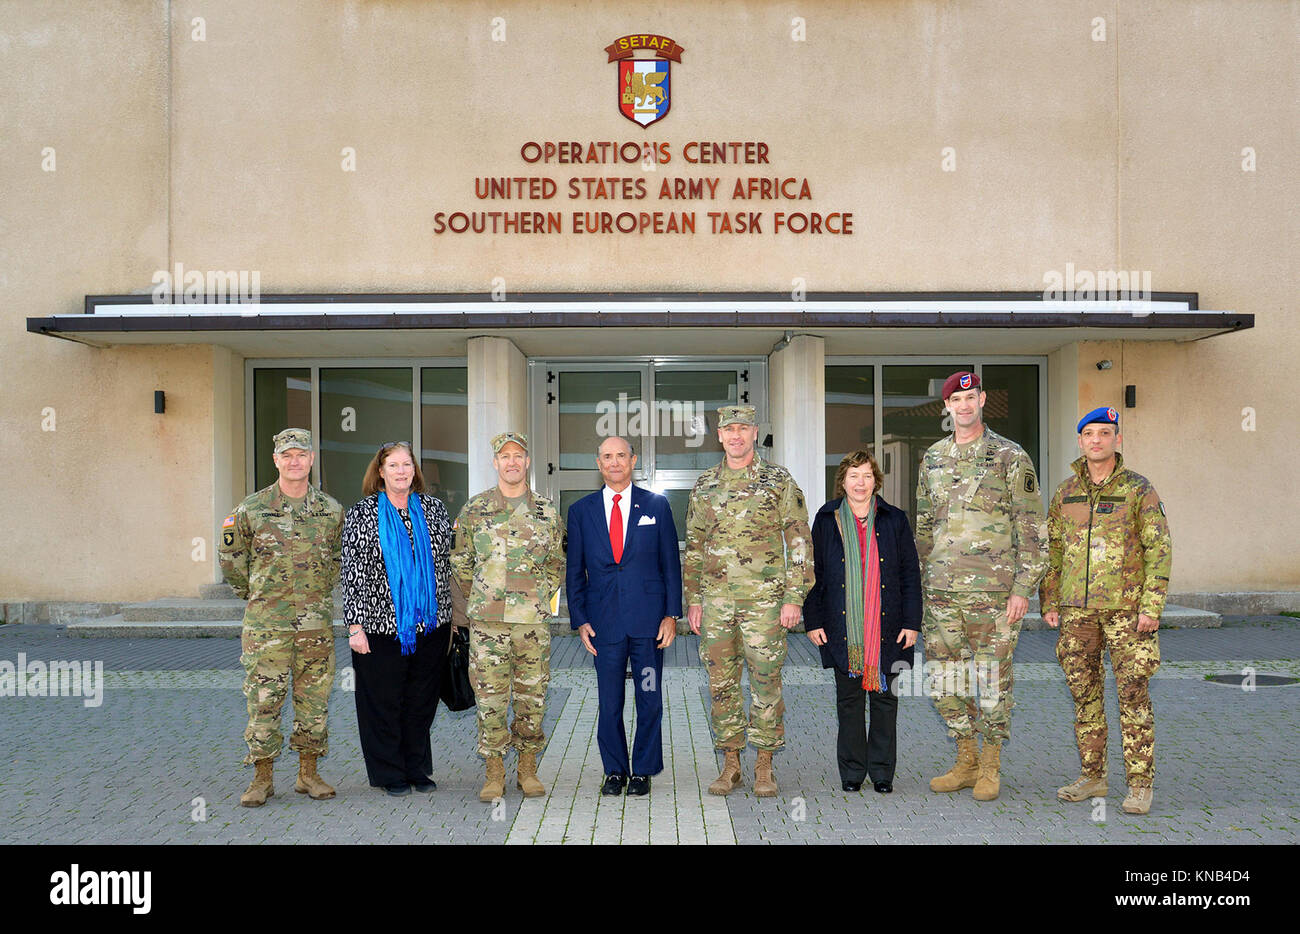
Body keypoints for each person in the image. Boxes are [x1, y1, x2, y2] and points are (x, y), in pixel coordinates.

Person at [915, 372, 1046, 801]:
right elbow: (923, 527)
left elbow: (1031, 529)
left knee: (992, 683)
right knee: (945, 682)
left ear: (983, 400)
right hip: (940, 593)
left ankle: (990, 765)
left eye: (971, 397)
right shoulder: (932, 458)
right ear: (946, 407)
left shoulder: (1010, 457)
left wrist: (1023, 589)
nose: (965, 405)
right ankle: (966, 759)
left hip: (994, 595)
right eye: (957, 399)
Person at [1041, 406, 1172, 815]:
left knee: (1133, 695)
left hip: (1127, 613)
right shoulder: (1066, 492)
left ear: (1117, 440)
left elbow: (1159, 548)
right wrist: (1050, 600)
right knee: (1084, 696)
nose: (1096, 440)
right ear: (1079, 441)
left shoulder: (1138, 489)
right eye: (1089, 434)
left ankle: (1139, 785)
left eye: (1105, 433)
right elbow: (1054, 550)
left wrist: (1151, 606)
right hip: (1077, 615)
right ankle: (1093, 775)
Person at [684, 404, 814, 798]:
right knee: (721, 685)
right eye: (729, 430)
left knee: (765, 683)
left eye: (743, 428)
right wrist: (693, 600)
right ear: (719, 436)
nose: (736, 435)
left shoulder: (778, 481)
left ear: (755, 433)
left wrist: (794, 597)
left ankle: (764, 765)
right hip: (717, 605)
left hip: (766, 604)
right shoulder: (705, 484)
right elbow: (694, 547)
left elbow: (799, 541)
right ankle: (731, 764)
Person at [218, 428, 344, 807]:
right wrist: (257, 596)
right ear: (275, 460)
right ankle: (262, 778)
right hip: (266, 628)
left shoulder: (330, 511)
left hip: (314, 626)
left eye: (301, 455)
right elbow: (231, 561)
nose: (294, 461)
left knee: (314, 702)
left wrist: (315, 596)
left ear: (310, 460)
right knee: (264, 701)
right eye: (287, 455)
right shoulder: (250, 509)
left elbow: (337, 561)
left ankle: (308, 774)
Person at [451, 431, 565, 802]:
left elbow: (556, 563)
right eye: (505, 456)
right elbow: (462, 562)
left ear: (527, 461)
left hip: (532, 624)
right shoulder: (475, 509)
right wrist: (482, 596)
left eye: (518, 455)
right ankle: (495, 770)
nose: (512, 462)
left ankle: (527, 768)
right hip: (488, 624)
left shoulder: (547, 511)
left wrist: (538, 597)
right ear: (495, 463)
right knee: (491, 698)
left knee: (532, 697)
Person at [566, 436, 682, 797]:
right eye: (606, 457)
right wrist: (580, 619)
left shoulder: (656, 506)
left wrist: (671, 615)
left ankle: (643, 769)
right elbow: (574, 572)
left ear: (633, 460)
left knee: (648, 696)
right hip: (605, 627)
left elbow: (670, 565)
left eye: (621, 455)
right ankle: (614, 770)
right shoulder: (581, 511)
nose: (614, 462)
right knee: (610, 700)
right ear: (598, 464)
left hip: (648, 628)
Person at [804, 451, 921, 793]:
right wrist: (813, 620)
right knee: (850, 702)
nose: (860, 482)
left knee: (886, 700)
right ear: (842, 481)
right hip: (843, 629)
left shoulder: (894, 519)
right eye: (854, 475)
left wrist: (912, 622)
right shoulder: (826, 519)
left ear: (876, 481)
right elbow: (814, 573)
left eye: (867, 476)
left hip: (889, 627)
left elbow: (910, 574)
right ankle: (852, 772)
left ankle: (883, 772)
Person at [341, 441, 454, 796]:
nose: (402, 471)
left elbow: (446, 564)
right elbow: (353, 572)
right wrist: (355, 626)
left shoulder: (434, 509)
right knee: (383, 702)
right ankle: (389, 772)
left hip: (431, 627)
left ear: (415, 470)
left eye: (407, 464)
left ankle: (417, 768)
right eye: (394, 465)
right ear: (380, 472)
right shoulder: (362, 513)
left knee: (420, 702)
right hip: (379, 627)